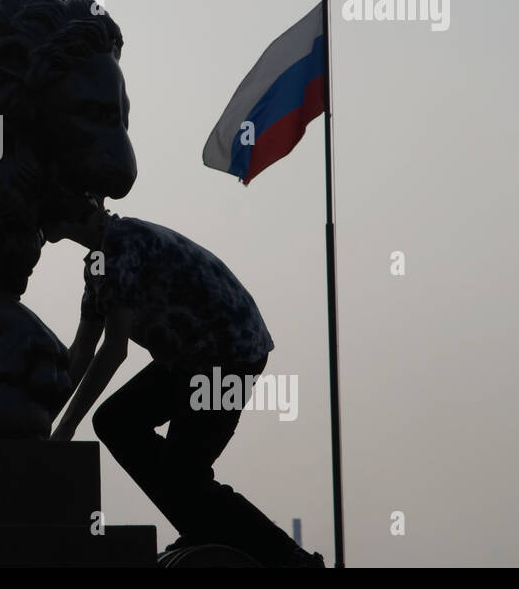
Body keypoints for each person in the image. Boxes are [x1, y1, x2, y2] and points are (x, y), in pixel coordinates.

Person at [47, 200, 323, 567]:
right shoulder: (98, 264)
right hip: (188, 360)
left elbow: (114, 350)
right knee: (144, 443)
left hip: (230, 355)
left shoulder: (121, 246)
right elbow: (81, 352)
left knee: (175, 468)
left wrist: (64, 428)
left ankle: (292, 560)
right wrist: (41, 423)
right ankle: (205, 528)